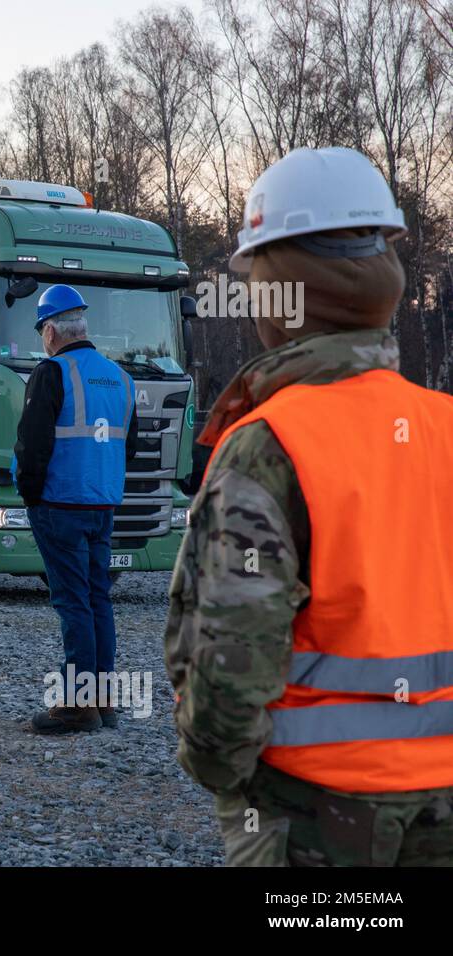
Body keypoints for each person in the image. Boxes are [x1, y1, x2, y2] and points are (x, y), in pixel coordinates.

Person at [165, 146, 453, 867]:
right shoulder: (443, 425)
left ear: (281, 291)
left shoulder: (270, 444)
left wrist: (222, 774)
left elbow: (235, 651)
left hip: (314, 817)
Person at [15, 284, 138, 734]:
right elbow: (134, 445)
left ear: (50, 331)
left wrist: (29, 495)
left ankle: (78, 706)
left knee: (72, 603)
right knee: (96, 597)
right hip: (102, 504)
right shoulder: (120, 378)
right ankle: (103, 701)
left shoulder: (51, 372)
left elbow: (32, 445)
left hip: (58, 503)